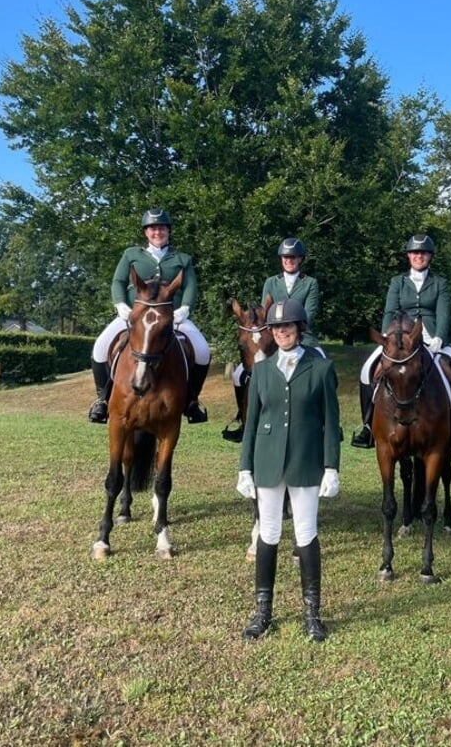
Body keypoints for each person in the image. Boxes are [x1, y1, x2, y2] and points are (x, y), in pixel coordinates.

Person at [236, 299, 341, 642]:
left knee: (306, 534)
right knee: (268, 534)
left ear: (300, 329)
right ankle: (263, 611)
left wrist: (331, 467)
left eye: (288, 327)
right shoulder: (262, 371)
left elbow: (330, 422)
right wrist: (245, 467)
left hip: (306, 461)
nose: (282, 332)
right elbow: (251, 423)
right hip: (267, 462)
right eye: (277, 328)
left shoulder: (321, 369)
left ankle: (312, 613)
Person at [351, 234, 451, 456]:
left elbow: (443, 313)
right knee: (366, 371)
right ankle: (368, 426)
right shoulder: (397, 282)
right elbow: (390, 310)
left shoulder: (440, 283)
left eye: (423, 253)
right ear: (409, 256)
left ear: (430, 257)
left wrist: (439, 336)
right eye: (415, 253)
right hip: (399, 340)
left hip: (431, 339)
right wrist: (385, 337)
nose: (419, 256)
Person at [87, 207, 211, 425]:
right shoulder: (131, 254)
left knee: (202, 350)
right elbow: (118, 281)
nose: (157, 232)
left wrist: (185, 308)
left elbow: (191, 286)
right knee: (99, 347)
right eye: (153, 228)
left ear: (168, 231)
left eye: (162, 228)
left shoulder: (182, 259)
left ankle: (192, 402)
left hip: (170, 316)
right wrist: (120, 304)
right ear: (146, 232)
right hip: (134, 316)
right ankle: (102, 400)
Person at [230, 237, 324, 408]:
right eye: (285, 258)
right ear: (281, 260)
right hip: (274, 339)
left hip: (304, 337)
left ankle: (327, 417)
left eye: (293, 257)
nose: (289, 261)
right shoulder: (271, 282)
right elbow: (263, 314)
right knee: (238, 375)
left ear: (300, 259)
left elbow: (309, 314)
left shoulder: (310, 283)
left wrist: (292, 330)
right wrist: (276, 332)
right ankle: (241, 415)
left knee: (323, 367)